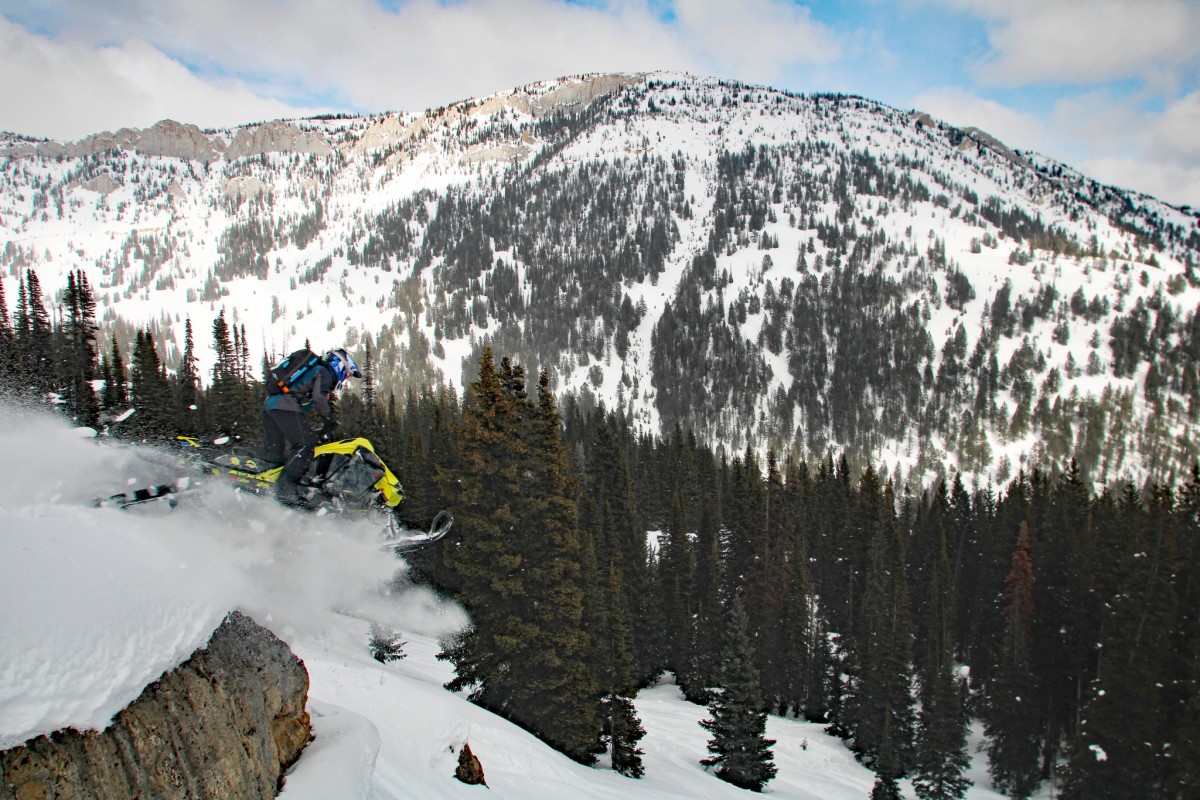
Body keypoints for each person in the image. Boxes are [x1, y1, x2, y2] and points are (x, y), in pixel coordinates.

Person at [262, 347, 362, 505]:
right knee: (305, 445)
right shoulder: (325, 372)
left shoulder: (315, 370)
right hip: (285, 405)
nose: (344, 379)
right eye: (347, 375)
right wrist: (329, 420)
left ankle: (262, 482)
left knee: (274, 454)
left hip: (271, 405)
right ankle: (285, 491)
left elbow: (307, 401)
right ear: (341, 367)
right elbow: (319, 399)